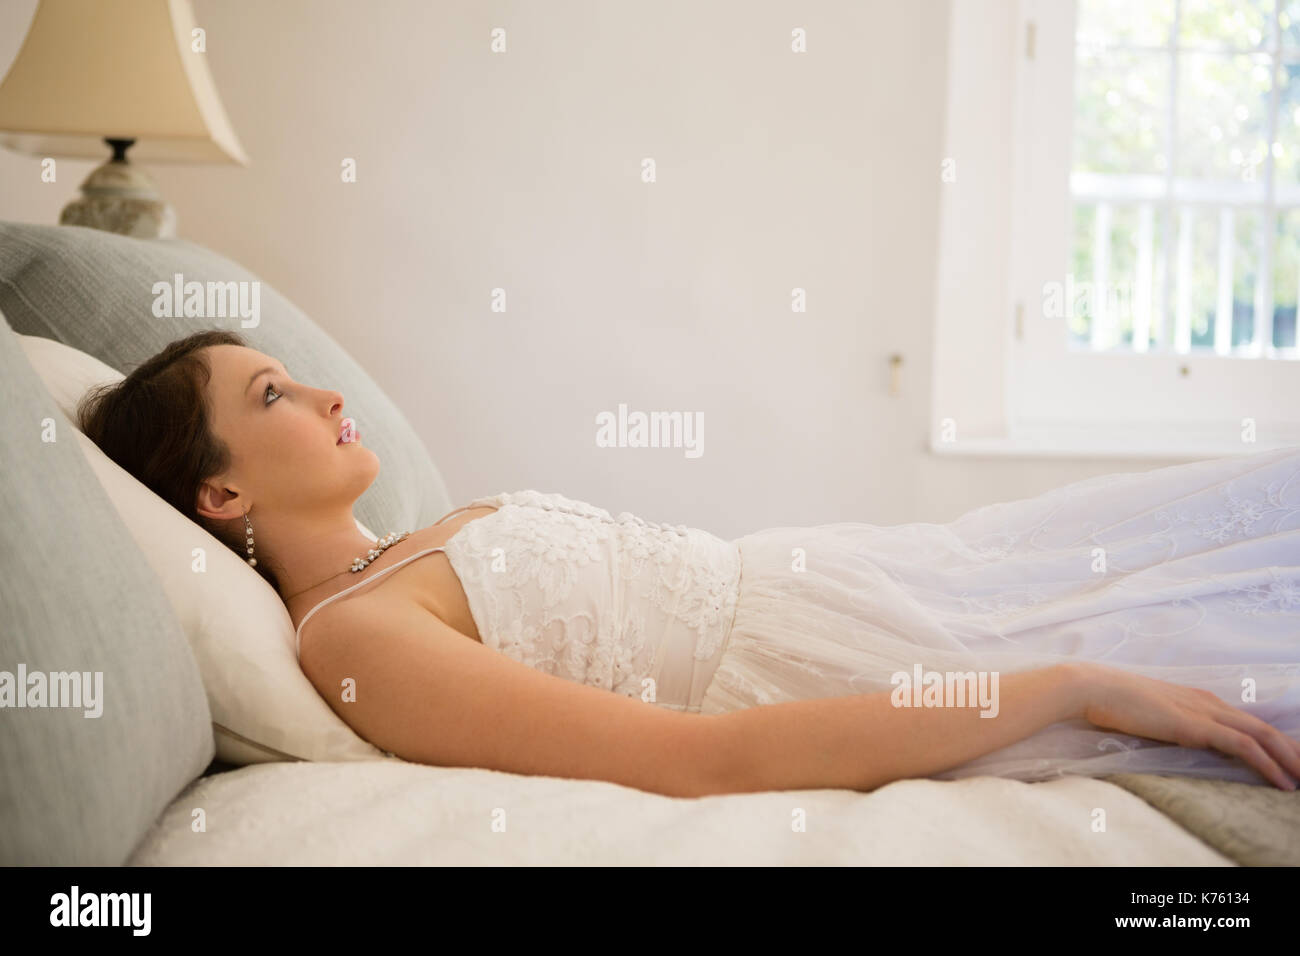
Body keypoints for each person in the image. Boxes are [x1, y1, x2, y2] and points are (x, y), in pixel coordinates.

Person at [78, 329, 1300, 797]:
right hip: (845, 658)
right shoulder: (352, 639)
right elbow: (697, 760)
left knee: (1230, 521)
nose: (330, 390)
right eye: (275, 393)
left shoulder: (409, 549)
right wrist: (1057, 687)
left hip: (863, 574)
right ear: (220, 489)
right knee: (1202, 655)